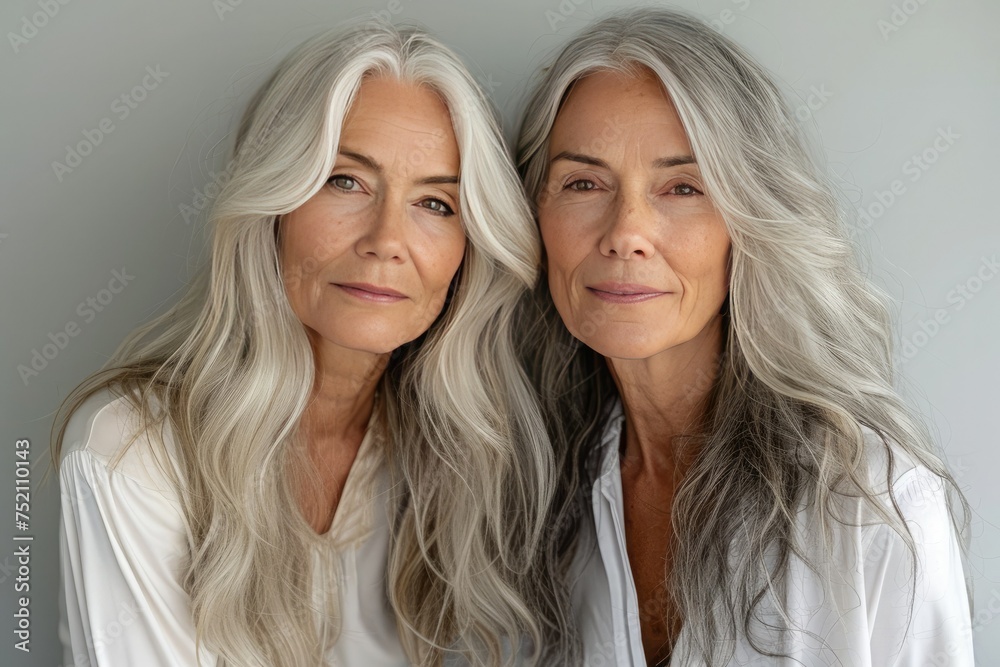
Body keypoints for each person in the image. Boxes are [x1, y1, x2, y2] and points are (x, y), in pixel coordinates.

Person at [50, 20, 564, 667]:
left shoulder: (463, 466)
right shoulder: (130, 452)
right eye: (345, 181)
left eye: (435, 202)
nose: (386, 238)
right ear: (273, 207)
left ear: (468, 249)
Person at [515, 7, 974, 666]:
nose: (626, 231)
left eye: (683, 187)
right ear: (535, 212)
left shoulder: (872, 499)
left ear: (748, 221)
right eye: (584, 183)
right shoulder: (531, 495)